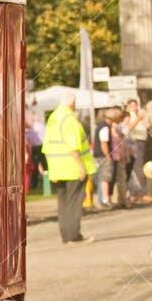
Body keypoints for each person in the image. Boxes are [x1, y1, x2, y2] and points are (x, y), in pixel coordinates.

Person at [44, 91, 95, 244]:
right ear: (72, 103)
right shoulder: (69, 119)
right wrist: (81, 167)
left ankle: (66, 235)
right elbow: (73, 145)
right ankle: (73, 235)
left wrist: (51, 167)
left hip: (57, 168)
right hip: (72, 167)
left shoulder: (53, 118)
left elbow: (46, 146)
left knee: (63, 202)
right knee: (74, 202)